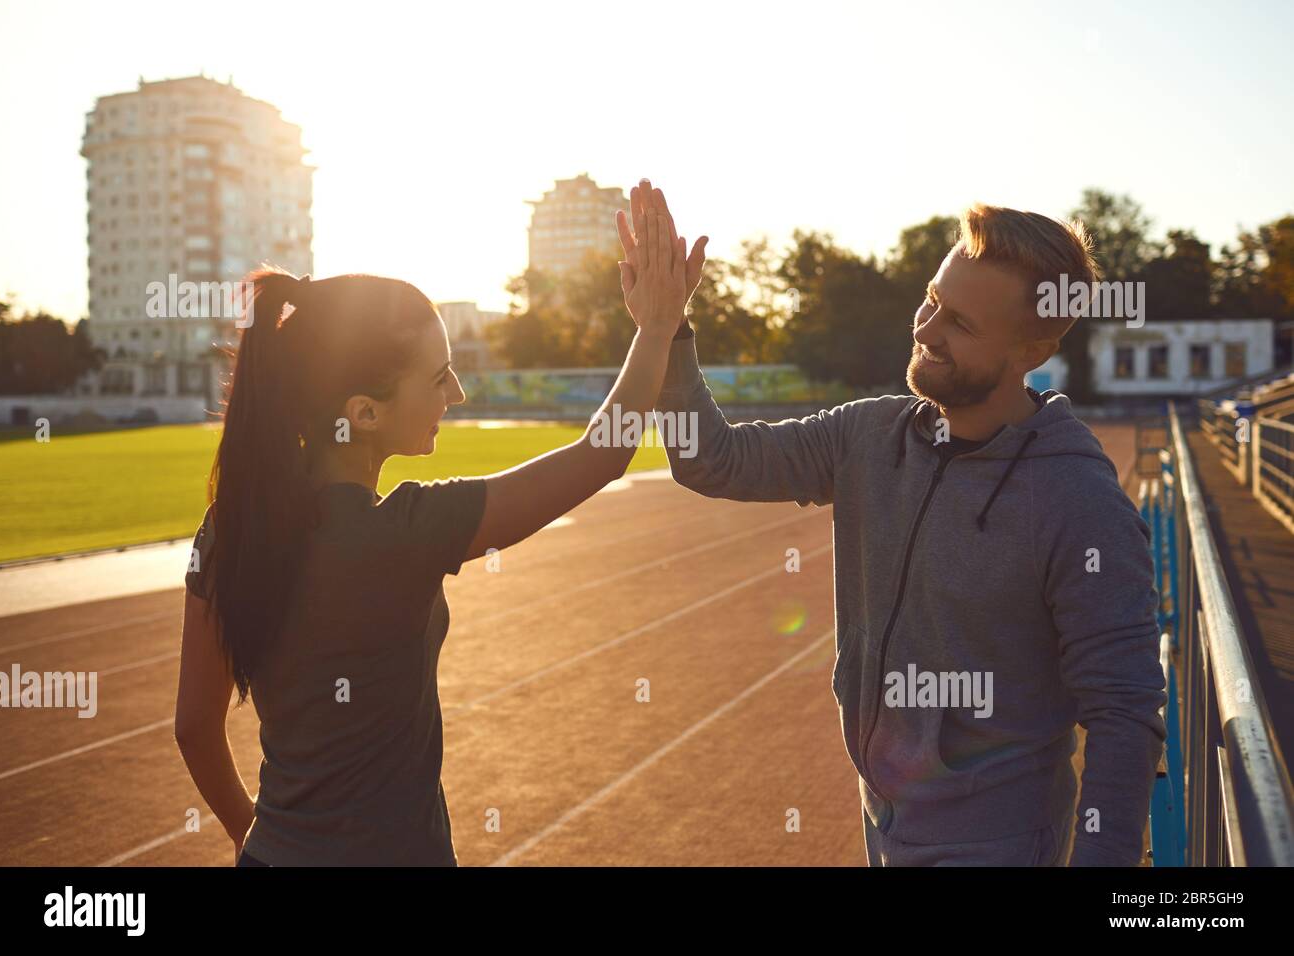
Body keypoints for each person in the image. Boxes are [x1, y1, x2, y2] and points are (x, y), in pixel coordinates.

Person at [174, 180, 706, 866]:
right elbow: (603, 453)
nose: (456, 393)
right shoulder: (410, 530)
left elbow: (194, 727)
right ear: (363, 412)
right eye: (439, 377)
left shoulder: (226, 526)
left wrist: (254, 836)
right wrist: (657, 327)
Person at [641, 189, 1167, 866]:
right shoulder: (871, 433)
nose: (925, 328)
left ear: (1030, 351)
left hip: (999, 839)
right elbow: (711, 460)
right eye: (931, 300)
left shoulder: (1077, 496)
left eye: (961, 324)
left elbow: (1125, 711)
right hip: (887, 815)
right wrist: (669, 331)